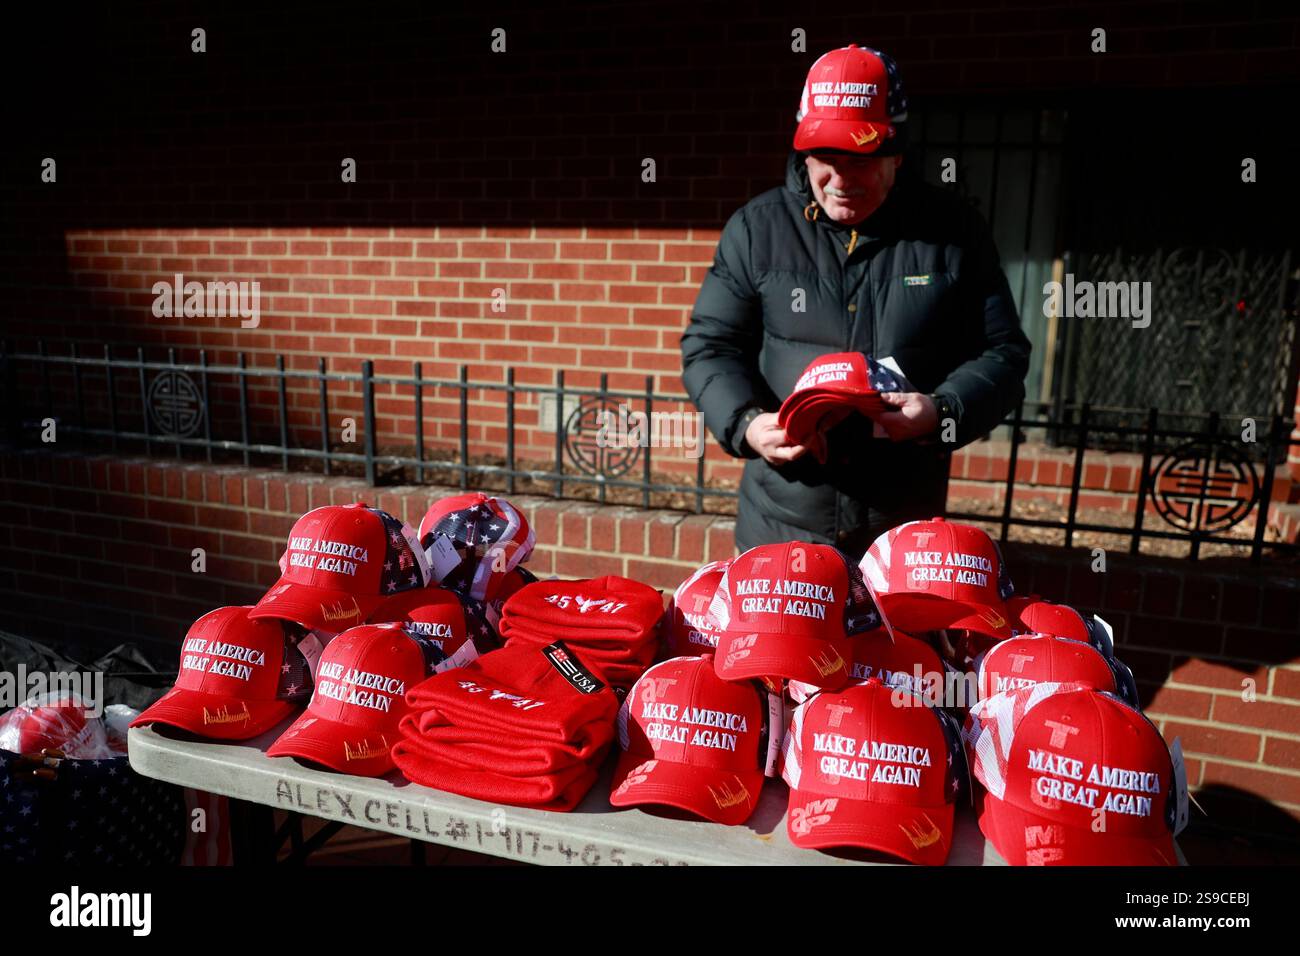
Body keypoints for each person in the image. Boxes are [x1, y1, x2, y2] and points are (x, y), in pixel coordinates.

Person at [681, 44, 1031, 558]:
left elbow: (1003, 353)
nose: (841, 181)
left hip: (900, 534)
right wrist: (748, 423)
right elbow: (710, 345)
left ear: (897, 153)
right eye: (826, 158)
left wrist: (941, 411)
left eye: (862, 160)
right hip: (780, 528)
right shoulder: (757, 230)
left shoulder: (953, 232)